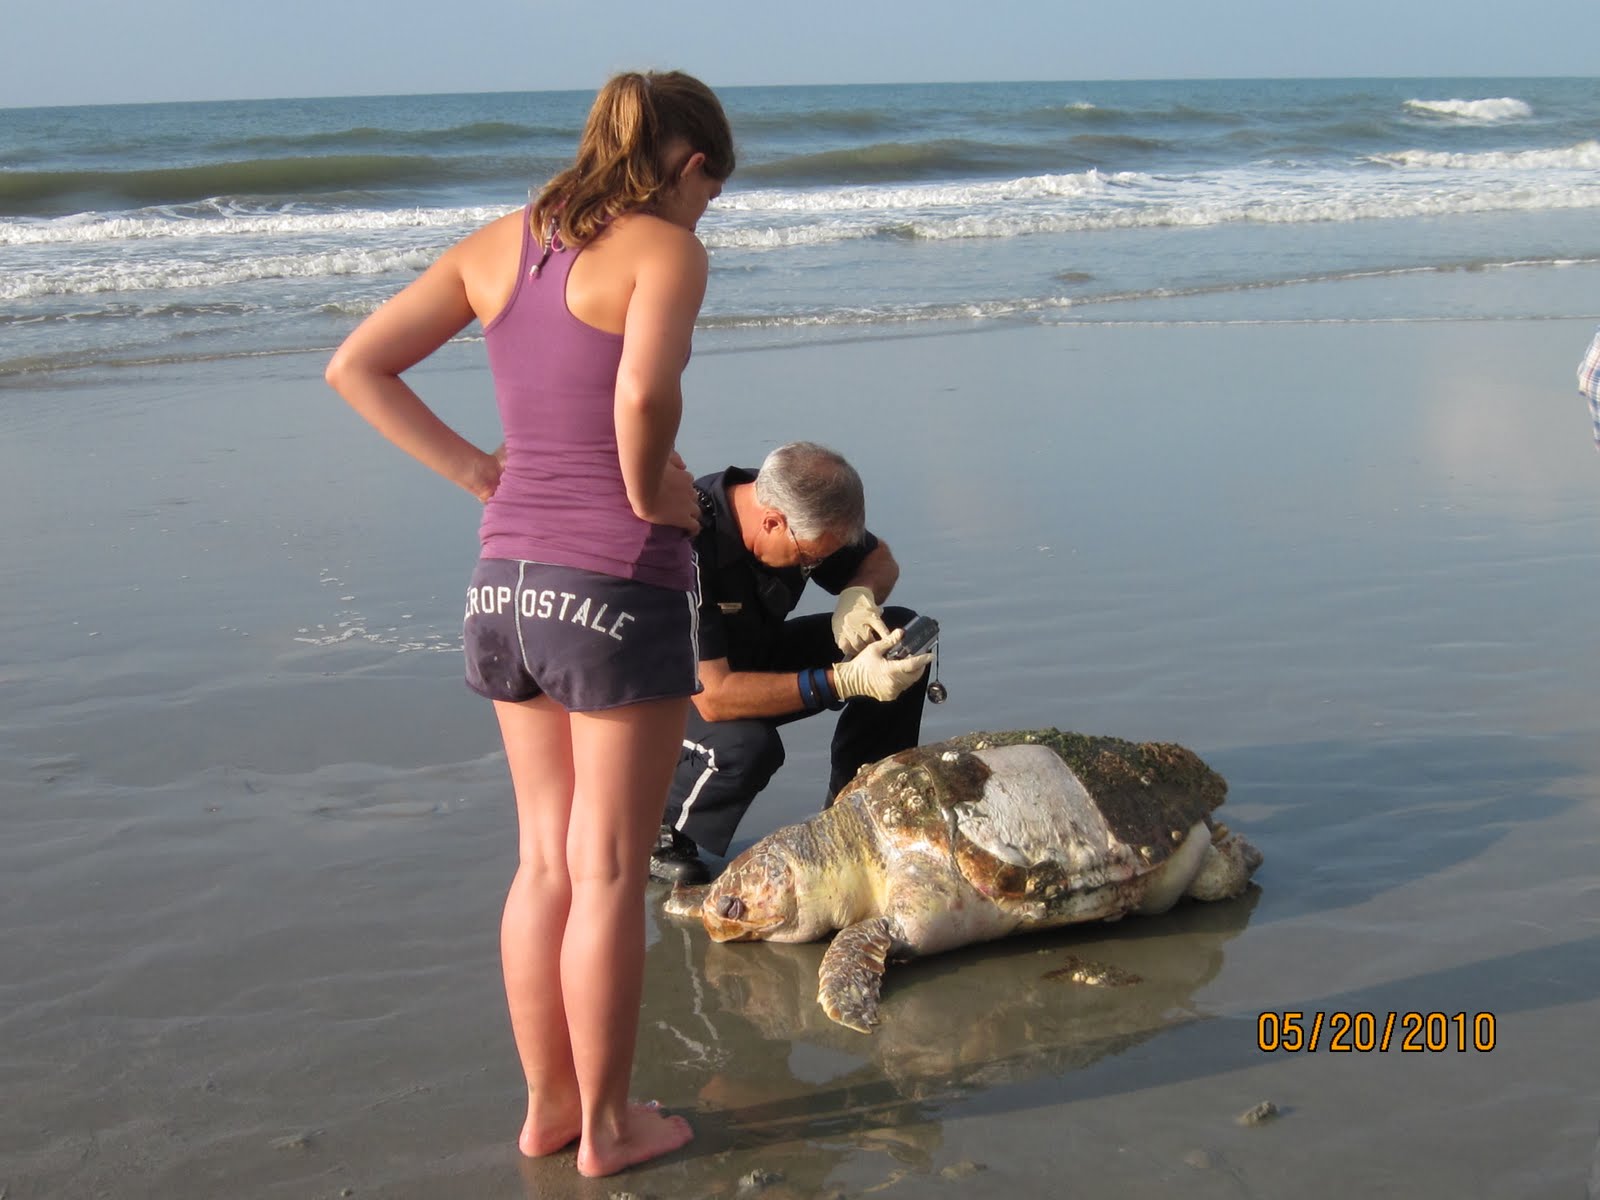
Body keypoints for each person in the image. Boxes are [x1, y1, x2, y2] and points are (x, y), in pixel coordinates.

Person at [324, 70, 733, 1178]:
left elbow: (356, 364)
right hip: (613, 582)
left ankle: (550, 1108)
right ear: (691, 167)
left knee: (544, 863)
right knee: (607, 868)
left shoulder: (498, 244)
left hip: (503, 584)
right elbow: (642, 397)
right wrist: (652, 490)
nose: (704, 218)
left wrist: (476, 474)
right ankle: (609, 1127)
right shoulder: (665, 249)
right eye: (710, 195)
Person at [649, 441, 934, 884]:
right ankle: (660, 830)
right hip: (671, 688)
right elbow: (717, 699)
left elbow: (881, 560)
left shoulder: (801, 505)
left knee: (899, 637)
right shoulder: (689, 547)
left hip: (751, 650)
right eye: (809, 559)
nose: (816, 566)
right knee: (747, 746)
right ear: (772, 522)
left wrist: (859, 597)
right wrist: (841, 681)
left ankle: (856, 802)